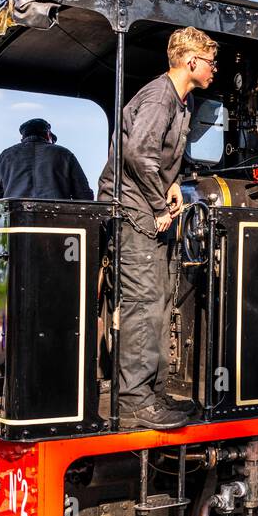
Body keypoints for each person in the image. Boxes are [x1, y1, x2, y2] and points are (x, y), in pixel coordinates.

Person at [97, 27, 217, 430]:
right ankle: (133, 401)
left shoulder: (182, 102)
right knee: (142, 305)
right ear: (191, 62)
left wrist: (171, 185)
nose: (214, 69)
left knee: (161, 303)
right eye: (210, 62)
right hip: (133, 212)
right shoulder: (159, 96)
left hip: (149, 209)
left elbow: (157, 158)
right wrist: (155, 204)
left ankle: (153, 391)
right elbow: (137, 154)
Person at [0, 118, 94, 201]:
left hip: (15, 224)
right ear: (48, 135)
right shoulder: (65, 154)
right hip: (58, 224)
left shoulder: (4, 157)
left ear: (22, 138)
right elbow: (84, 195)